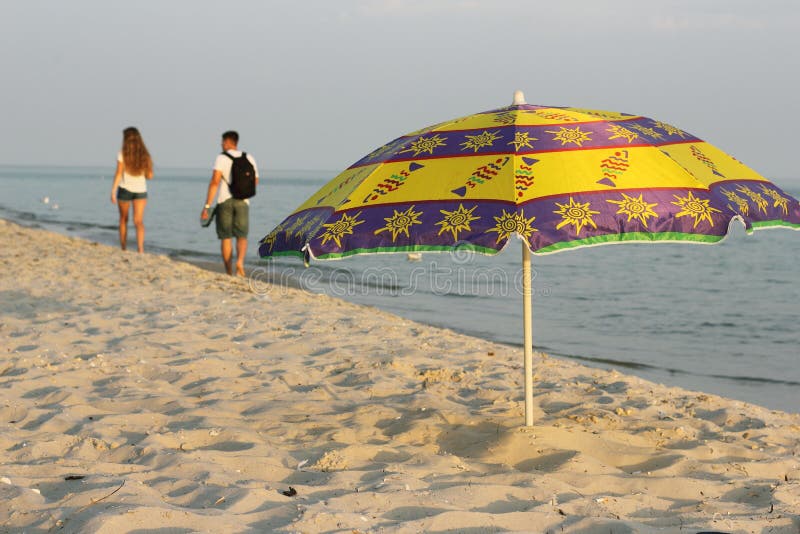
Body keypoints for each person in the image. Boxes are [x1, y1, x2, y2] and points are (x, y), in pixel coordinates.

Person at [201, 131, 259, 276]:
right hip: (243, 201)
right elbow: (255, 180)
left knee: (226, 236)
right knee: (242, 236)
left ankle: (228, 271)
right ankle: (240, 261)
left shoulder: (221, 158)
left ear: (228, 142)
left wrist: (207, 205)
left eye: (222, 141)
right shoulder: (249, 157)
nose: (221, 144)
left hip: (224, 200)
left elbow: (215, 182)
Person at [111, 127, 154, 253]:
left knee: (123, 219)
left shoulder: (122, 154)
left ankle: (123, 247)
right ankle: (140, 248)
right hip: (140, 190)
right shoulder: (145, 155)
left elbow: (119, 173)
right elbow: (150, 176)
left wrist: (113, 191)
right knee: (139, 221)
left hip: (125, 189)